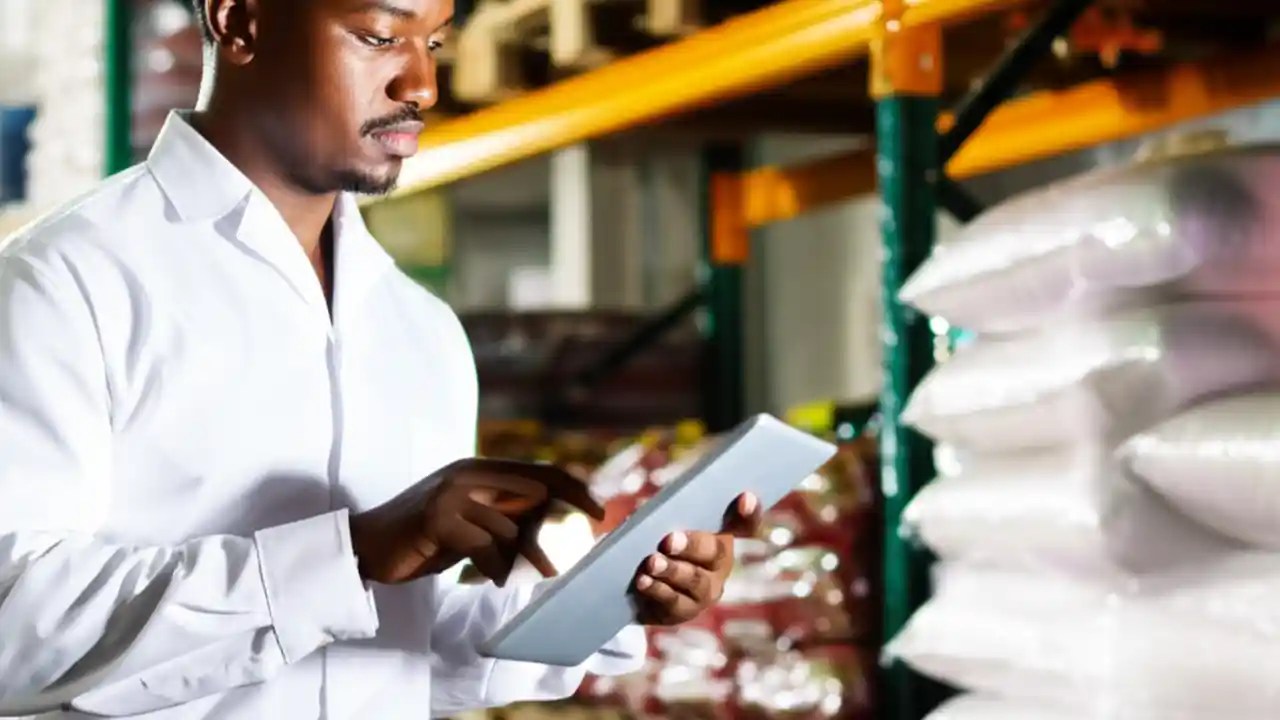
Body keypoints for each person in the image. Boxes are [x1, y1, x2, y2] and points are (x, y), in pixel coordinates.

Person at [0, 0, 762, 716]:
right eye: (378, 36)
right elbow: (13, 630)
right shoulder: (69, 280)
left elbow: (393, 660)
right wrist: (354, 553)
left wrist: (608, 599)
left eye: (433, 43)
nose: (422, 84)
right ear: (238, 21)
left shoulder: (416, 327)